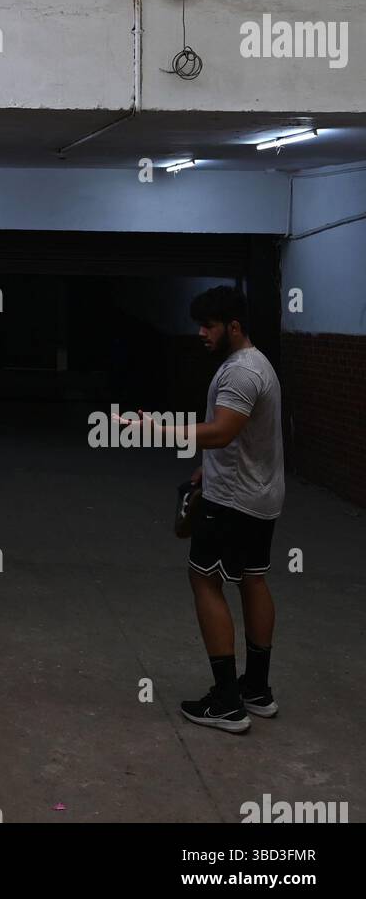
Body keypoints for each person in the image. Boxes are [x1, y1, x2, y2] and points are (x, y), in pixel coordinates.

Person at [180, 287, 284, 732]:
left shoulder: (240, 373)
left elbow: (222, 432)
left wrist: (155, 428)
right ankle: (256, 690)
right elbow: (239, 437)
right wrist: (206, 468)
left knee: (204, 579)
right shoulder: (257, 363)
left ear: (234, 326)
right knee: (253, 577)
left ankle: (226, 701)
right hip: (261, 495)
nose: (201, 333)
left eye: (209, 325)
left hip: (234, 502)